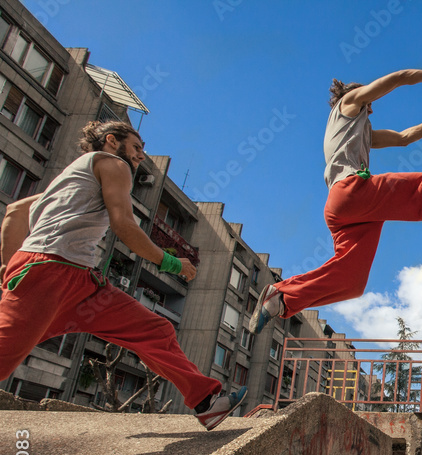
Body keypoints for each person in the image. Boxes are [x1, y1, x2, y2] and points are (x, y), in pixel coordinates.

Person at [0, 121, 246, 429]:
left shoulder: (68, 180)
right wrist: (172, 263)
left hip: (80, 283)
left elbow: (14, 212)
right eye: (137, 147)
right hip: (51, 271)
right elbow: (124, 225)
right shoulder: (112, 163)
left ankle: (206, 402)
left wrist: (8, 268)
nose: (142, 156)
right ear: (112, 141)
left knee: (153, 329)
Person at [249, 63, 422, 334]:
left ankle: (282, 298)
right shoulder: (349, 103)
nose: (373, 110)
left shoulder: (362, 133)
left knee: (352, 281)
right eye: (370, 104)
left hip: (346, 211)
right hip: (351, 191)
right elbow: (397, 79)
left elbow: (403, 138)